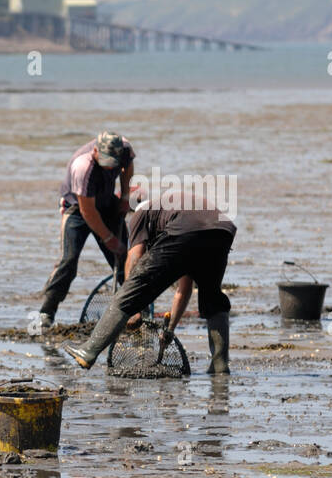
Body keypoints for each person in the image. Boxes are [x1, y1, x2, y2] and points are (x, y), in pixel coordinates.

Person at [62, 186, 235, 374]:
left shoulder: (141, 213)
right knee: (213, 299)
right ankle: (220, 366)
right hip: (222, 231)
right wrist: (169, 329)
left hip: (186, 229)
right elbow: (182, 290)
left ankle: (88, 351)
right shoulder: (169, 210)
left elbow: (135, 256)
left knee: (126, 295)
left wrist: (132, 303)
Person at [37, 132, 136, 328]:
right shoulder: (83, 167)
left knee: (125, 257)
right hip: (77, 209)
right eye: (105, 162)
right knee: (69, 259)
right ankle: (46, 312)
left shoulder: (125, 149)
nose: (109, 166)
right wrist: (109, 239)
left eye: (113, 163)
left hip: (106, 202)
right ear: (96, 152)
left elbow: (127, 169)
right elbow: (87, 211)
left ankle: (133, 310)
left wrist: (125, 198)